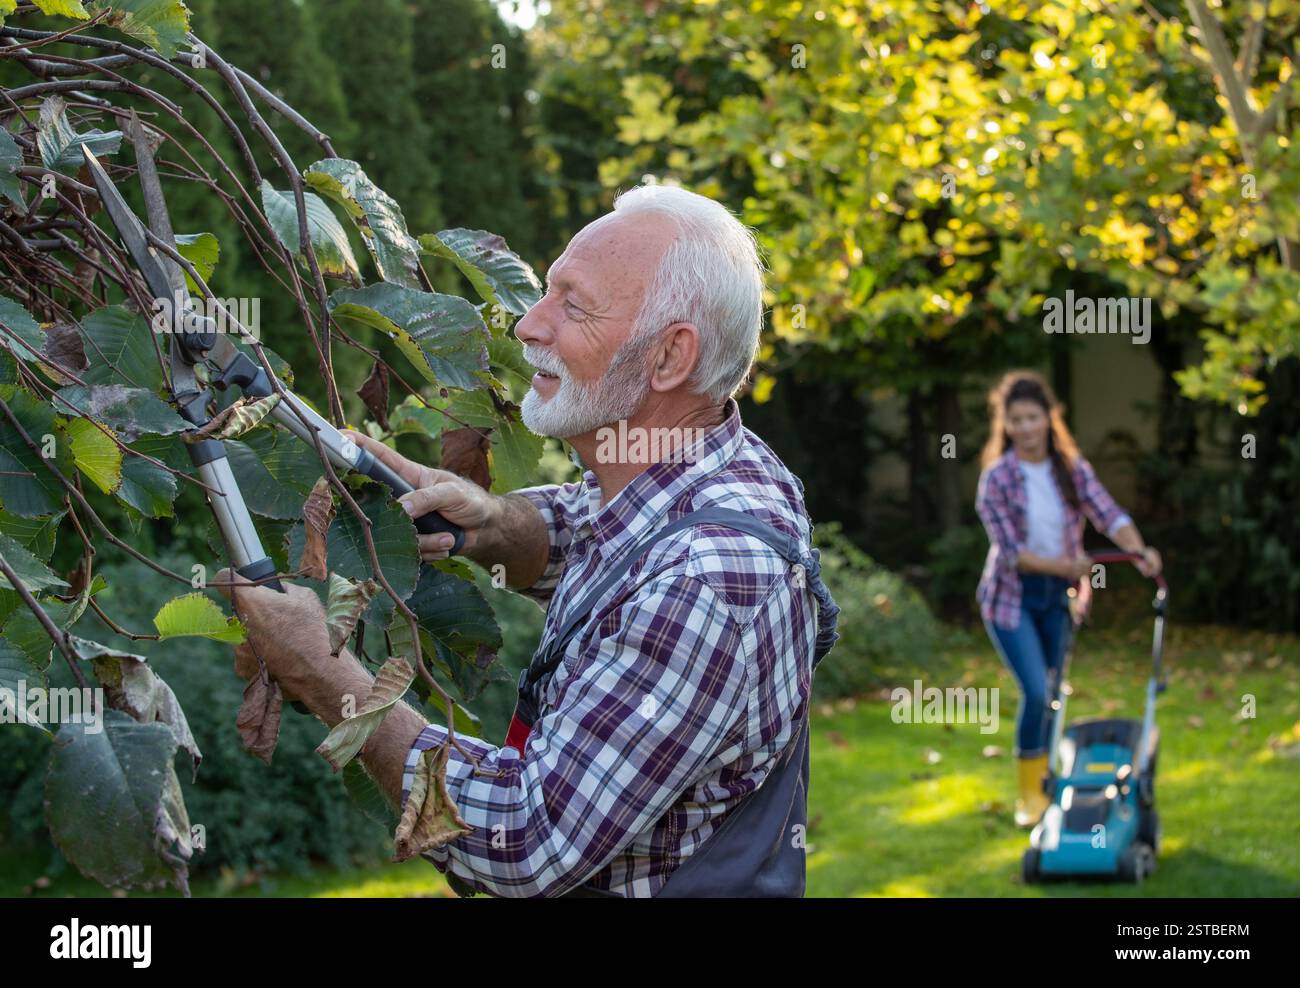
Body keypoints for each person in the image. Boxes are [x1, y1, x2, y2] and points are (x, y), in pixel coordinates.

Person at [214, 183, 840, 897]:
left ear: (669, 357)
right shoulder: (710, 468)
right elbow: (606, 531)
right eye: (546, 292)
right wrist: (492, 521)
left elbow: (522, 842)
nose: (528, 326)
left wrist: (327, 678)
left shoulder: (712, 574)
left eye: (574, 306)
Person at [974, 370, 1161, 828]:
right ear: (1006, 424)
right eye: (1015, 420)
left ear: (1049, 419)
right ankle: (1028, 797)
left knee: (1054, 694)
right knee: (1037, 691)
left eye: (1033, 417)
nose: (1025, 428)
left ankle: (1047, 784)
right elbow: (1013, 554)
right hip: (1010, 598)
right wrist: (1066, 567)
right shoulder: (996, 479)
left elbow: (1108, 513)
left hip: (1058, 598)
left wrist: (1138, 551)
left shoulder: (1071, 470)